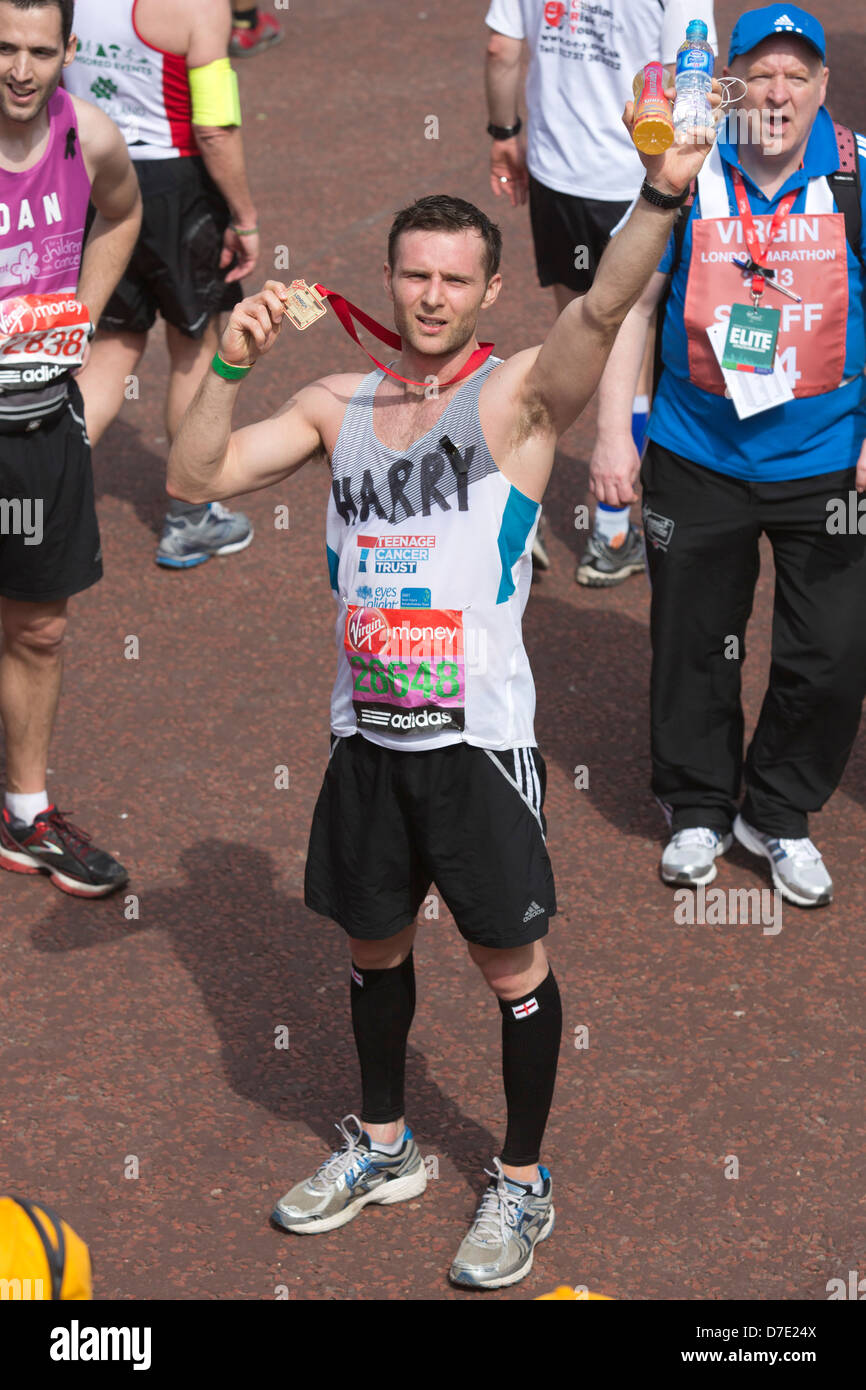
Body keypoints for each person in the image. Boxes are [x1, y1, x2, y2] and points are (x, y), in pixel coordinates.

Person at [167, 94, 717, 1287]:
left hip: (474, 745)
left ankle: (520, 1182)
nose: (427, 295)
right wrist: (227, 352)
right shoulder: (336, 408)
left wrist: (662, 191)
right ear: (389, 276)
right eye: (411, 274)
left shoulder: (515, 398)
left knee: (508, 967)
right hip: (364, 737)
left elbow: (606, 303)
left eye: (451, 279)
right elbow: (194, 465)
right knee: (370, 951)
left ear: (480, 291)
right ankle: (384, 1145)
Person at [593, 4, 866, 907]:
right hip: (696, 452)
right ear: (729, 86)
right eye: (762, 73)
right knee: (692, 644)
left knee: (830, 654)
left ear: (823, 88)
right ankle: (700, 805)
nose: (778, 92)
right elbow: (627, 307)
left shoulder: (858, 178)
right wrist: (610, 436)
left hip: (826, 463)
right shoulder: (684, 172)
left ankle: (778, 813)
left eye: (798, 75)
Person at [484, 0, 717, 584]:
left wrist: (504, 131)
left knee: (572, 347)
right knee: (627, 340)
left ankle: (520, 517)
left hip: (556, 174)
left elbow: (501, 50)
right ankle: (611, 532)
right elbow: (688, 79)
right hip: (642, 182)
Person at [0, 0, 141, 897]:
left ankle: (25, 816)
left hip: (37, 425)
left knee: (39, 627)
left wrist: (79, 321)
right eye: (3, 48)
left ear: (69, 52)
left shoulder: (88, 135)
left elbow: (121, 219)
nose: (19, 69)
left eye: (38, 51)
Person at [64, 0, 259, 569]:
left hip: (97, 180)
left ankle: (37, 495)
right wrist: (244, 215)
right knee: (193, 346)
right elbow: (214, 128)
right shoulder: (198, 5)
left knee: (109, 346)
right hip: (177, 186)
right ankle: (191, 517)